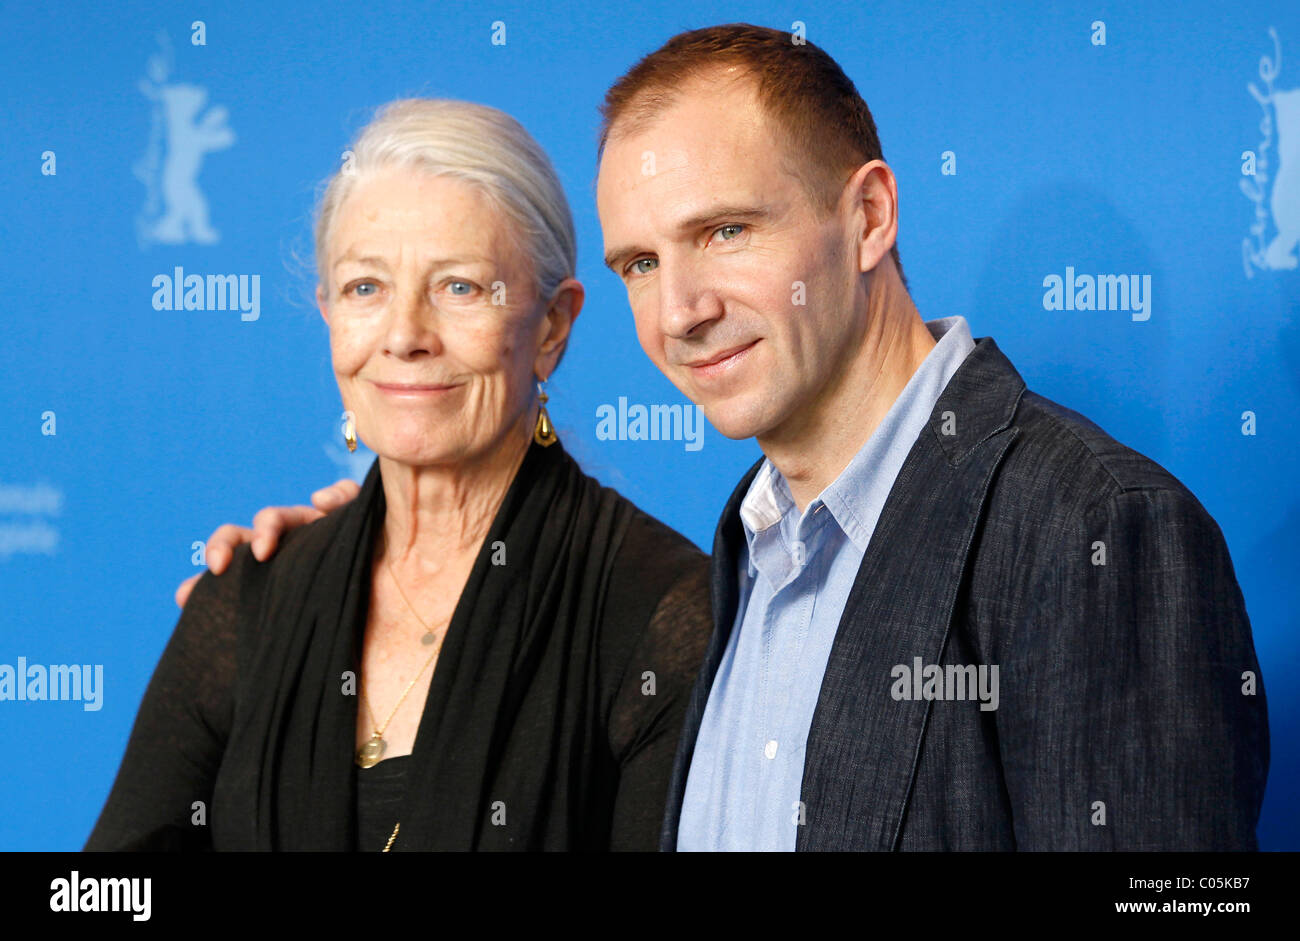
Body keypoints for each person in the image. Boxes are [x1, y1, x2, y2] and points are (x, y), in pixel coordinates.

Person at [187, 25, 1271, 852]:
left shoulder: (1094, 530)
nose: (680, 308)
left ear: (868, 218)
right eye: (641, 264)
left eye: (723, 232)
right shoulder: (743, 560)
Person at [86, 98, 712, 852]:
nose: (406, 336)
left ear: (552, 326)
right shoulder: (251, 596)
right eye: (366, 288)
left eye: (460, 287)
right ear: (328, 316)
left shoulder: (667, 616)